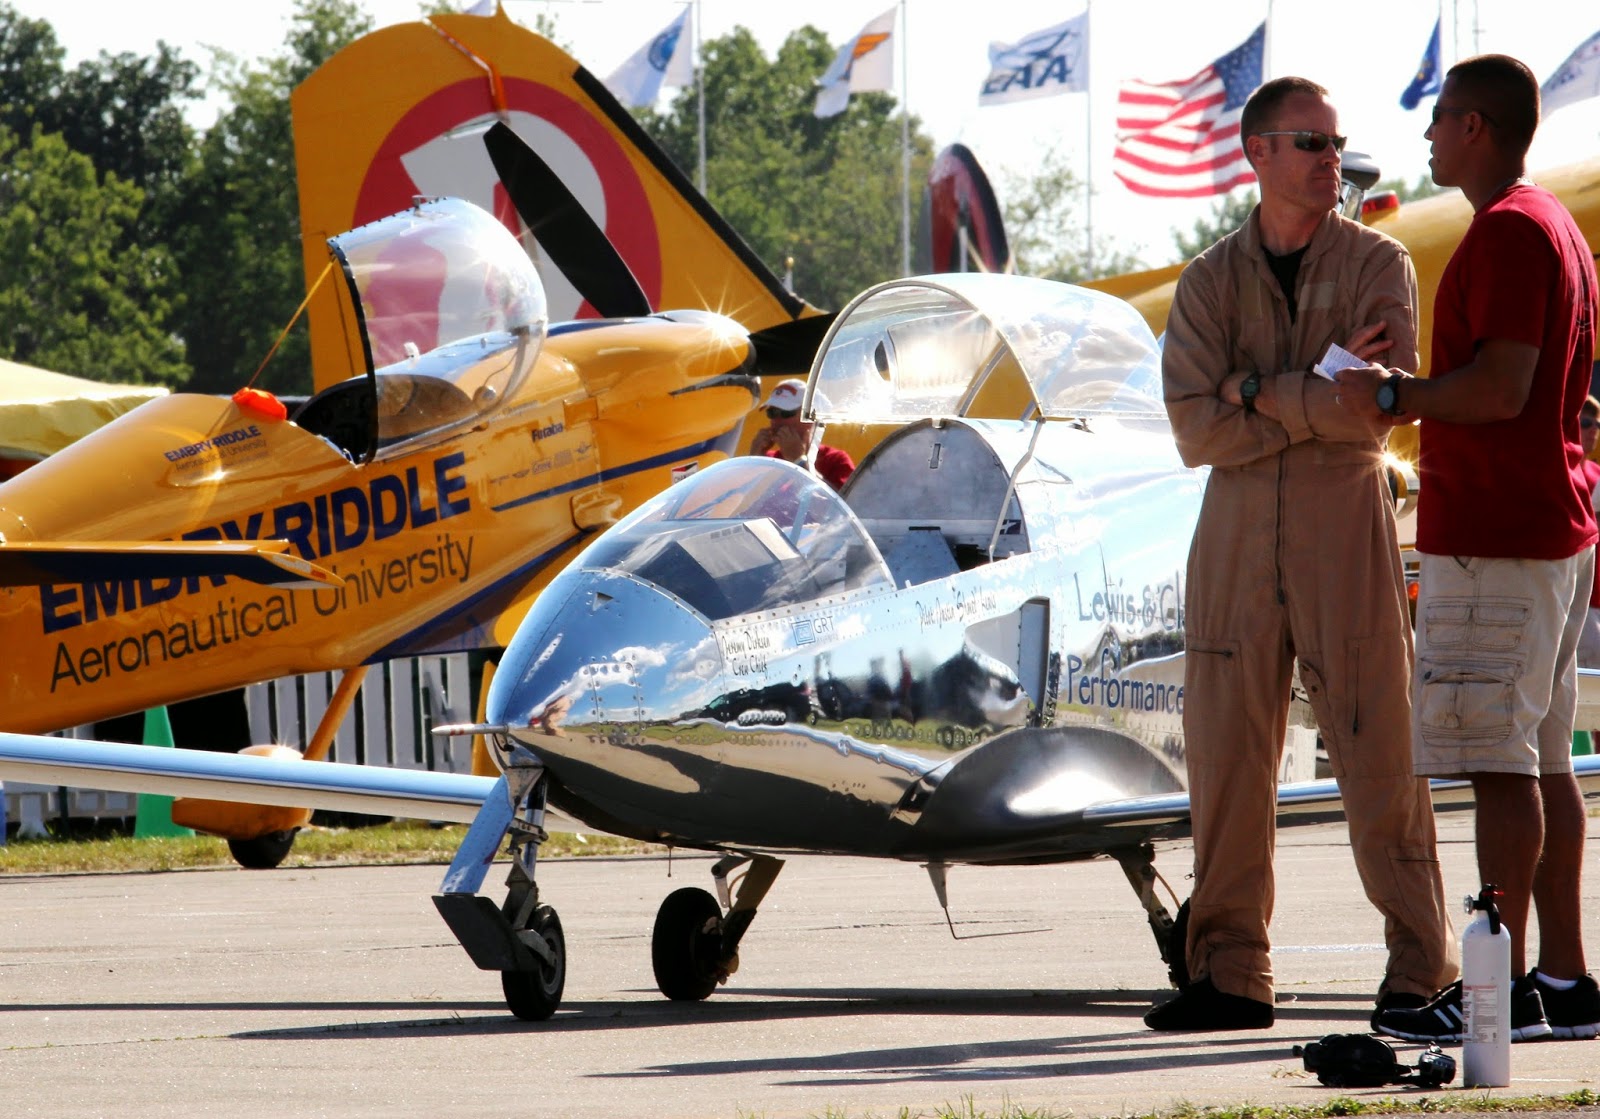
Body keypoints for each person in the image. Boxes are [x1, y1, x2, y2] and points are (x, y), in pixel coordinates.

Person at [1148, 75, 1457, 1032]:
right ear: (1260, 155)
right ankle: (1231, 974)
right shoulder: (1205, 282)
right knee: (1228, 757)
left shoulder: (1381, 264)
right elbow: (1193, 431)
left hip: (1344, 523)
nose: (1335, 161)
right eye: (1313, 144)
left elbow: (1372, 408)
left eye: (1336, 145)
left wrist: (1251, 390)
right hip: (1233, 535)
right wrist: (1308, 396)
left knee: (1377, 746)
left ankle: (1422, 969)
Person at [1339, 55, 1600, 1043]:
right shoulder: (1554, 227)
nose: (1428, 137)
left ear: (1477, 129)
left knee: (1500, 766)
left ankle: (1501, 991)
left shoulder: (1505, 232)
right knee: (1541, 761)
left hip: (1498, 534)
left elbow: (1501, 388)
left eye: (1441, 121)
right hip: (1547, 526)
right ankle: (1563, 978)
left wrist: (1394, 395)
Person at [749, 379, 855, 491]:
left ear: (811, 417)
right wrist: (752, 461)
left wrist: (799, 462)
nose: (776, 420)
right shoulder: (768, 460)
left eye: (786, 413)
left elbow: (844, 503)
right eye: (771, 413)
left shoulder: (836, 460)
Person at [1577, 396, 1600, 670]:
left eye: (1596, 424)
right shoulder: (1562, 474)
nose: (1593, 430)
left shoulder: (1596, 473)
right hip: (1580, 604)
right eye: (1585, 423)